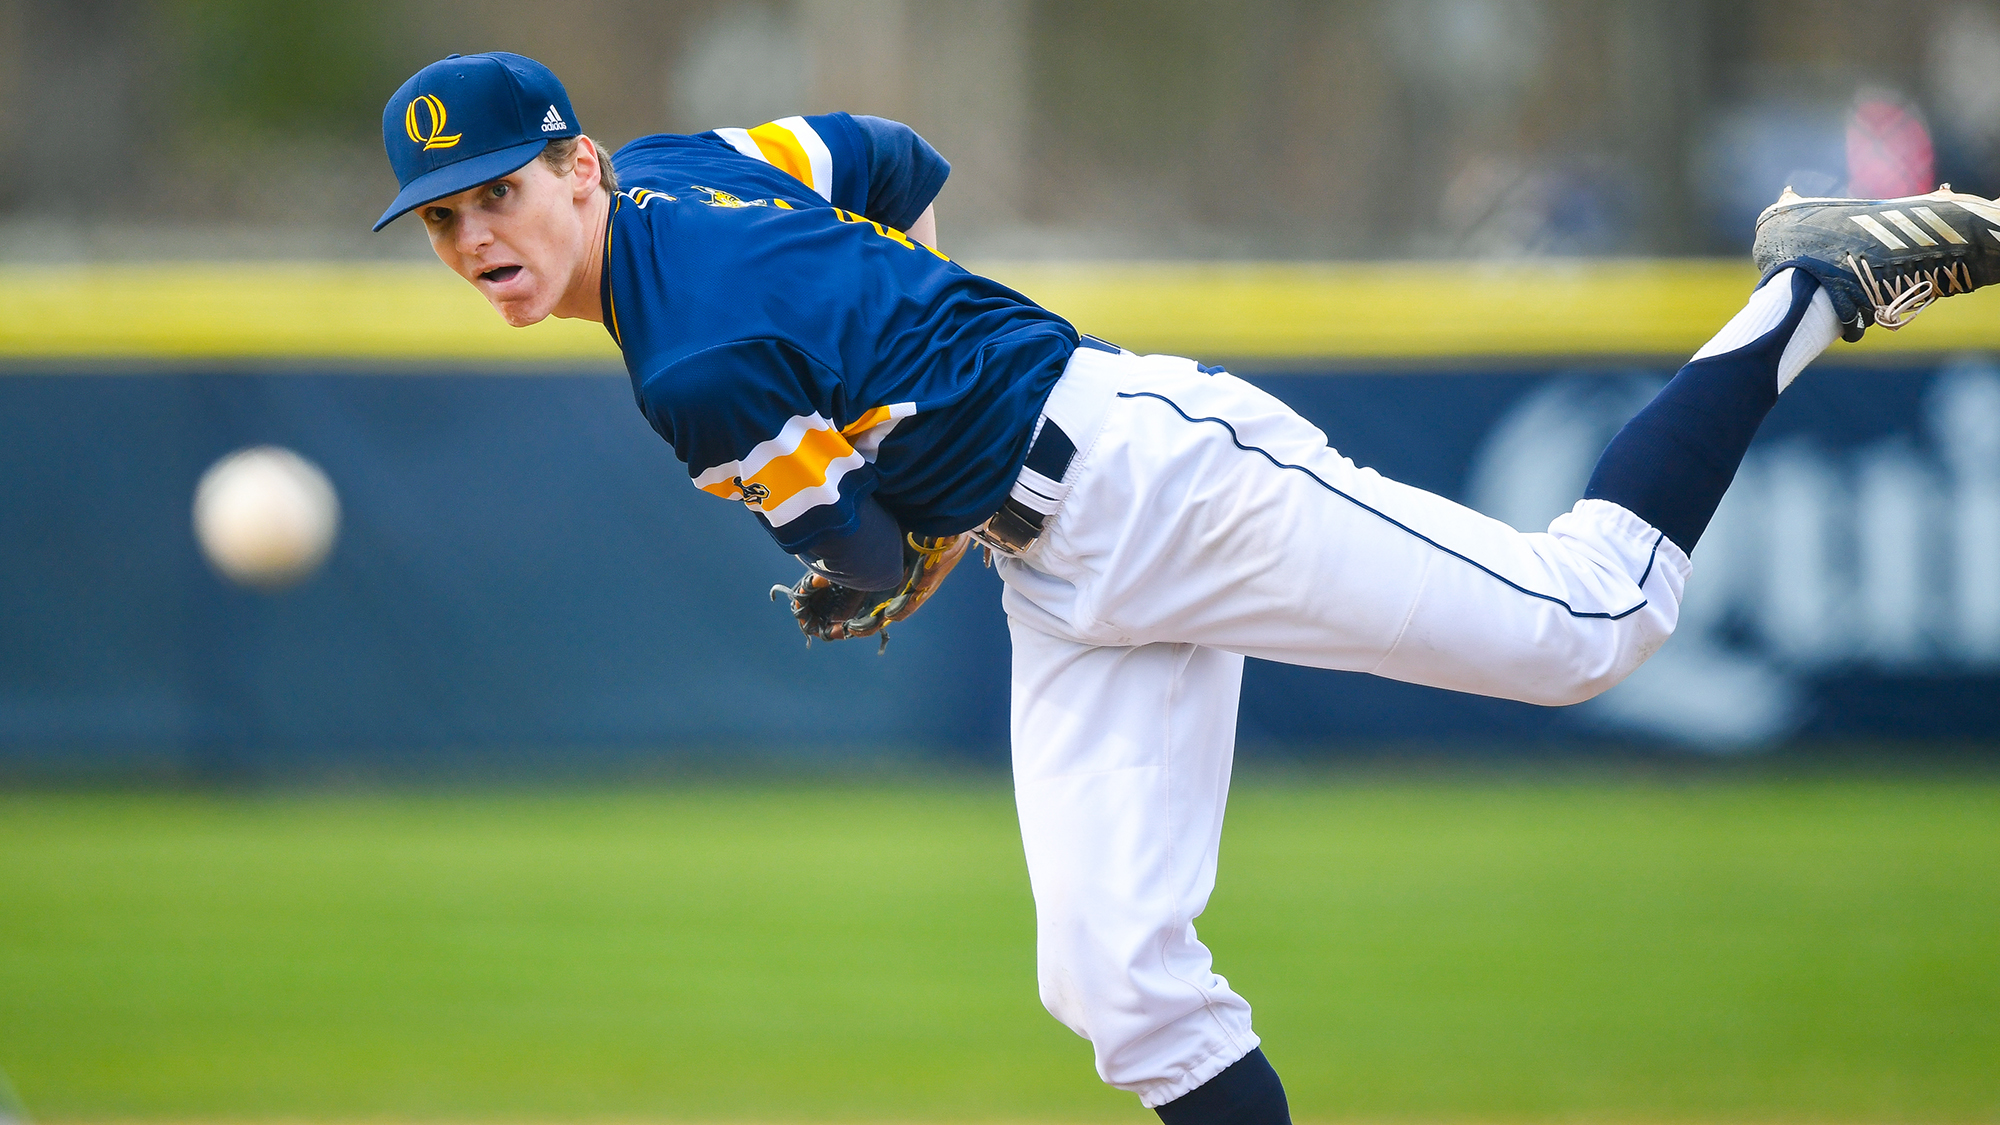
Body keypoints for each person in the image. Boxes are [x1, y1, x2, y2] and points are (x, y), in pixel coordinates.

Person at [373, 51, 1998, 1123]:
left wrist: (868, 545)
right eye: (443, 221)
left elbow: (869, 551)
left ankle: (1813, 282)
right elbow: (894, 154)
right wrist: (918, 361)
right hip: (1061, 562)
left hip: (1156, 478)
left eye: (500, 193)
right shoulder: (688, 161)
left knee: (1590, 624)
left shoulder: (694, 363)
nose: (475, 240)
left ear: (574, 166)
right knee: (1113, 977)